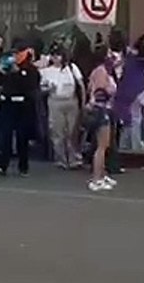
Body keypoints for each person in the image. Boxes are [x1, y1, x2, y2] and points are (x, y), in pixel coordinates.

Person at [0, 47, 38, 177]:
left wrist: (19, 73)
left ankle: (23, 166)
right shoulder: (7, 66)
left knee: (22, 137)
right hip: (7, 104)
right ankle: (2, 164)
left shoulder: (30, 70)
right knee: (6, 135)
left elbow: (31, 87)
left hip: (22, 105)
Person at [39, 46, 83, 169]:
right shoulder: (46, 71)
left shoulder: (71, 68)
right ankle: (61, 158)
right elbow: (41, 89)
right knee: (57, 131)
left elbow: (80, 84)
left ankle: (74, 158)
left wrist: (82, 102)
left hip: (71, 100)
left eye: (58, 55)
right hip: (55, 101)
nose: (56, 58)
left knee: (72, 131)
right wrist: (48, 89)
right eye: (53, 55)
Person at [86, 46, 117, 192]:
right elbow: (100, 91)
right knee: (101, 145)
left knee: (105, 144)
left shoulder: (104, 71)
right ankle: (96, 178)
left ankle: (102, 174)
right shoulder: (100, 71)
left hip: (105, 108)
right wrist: (109, 90)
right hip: (100, 108)